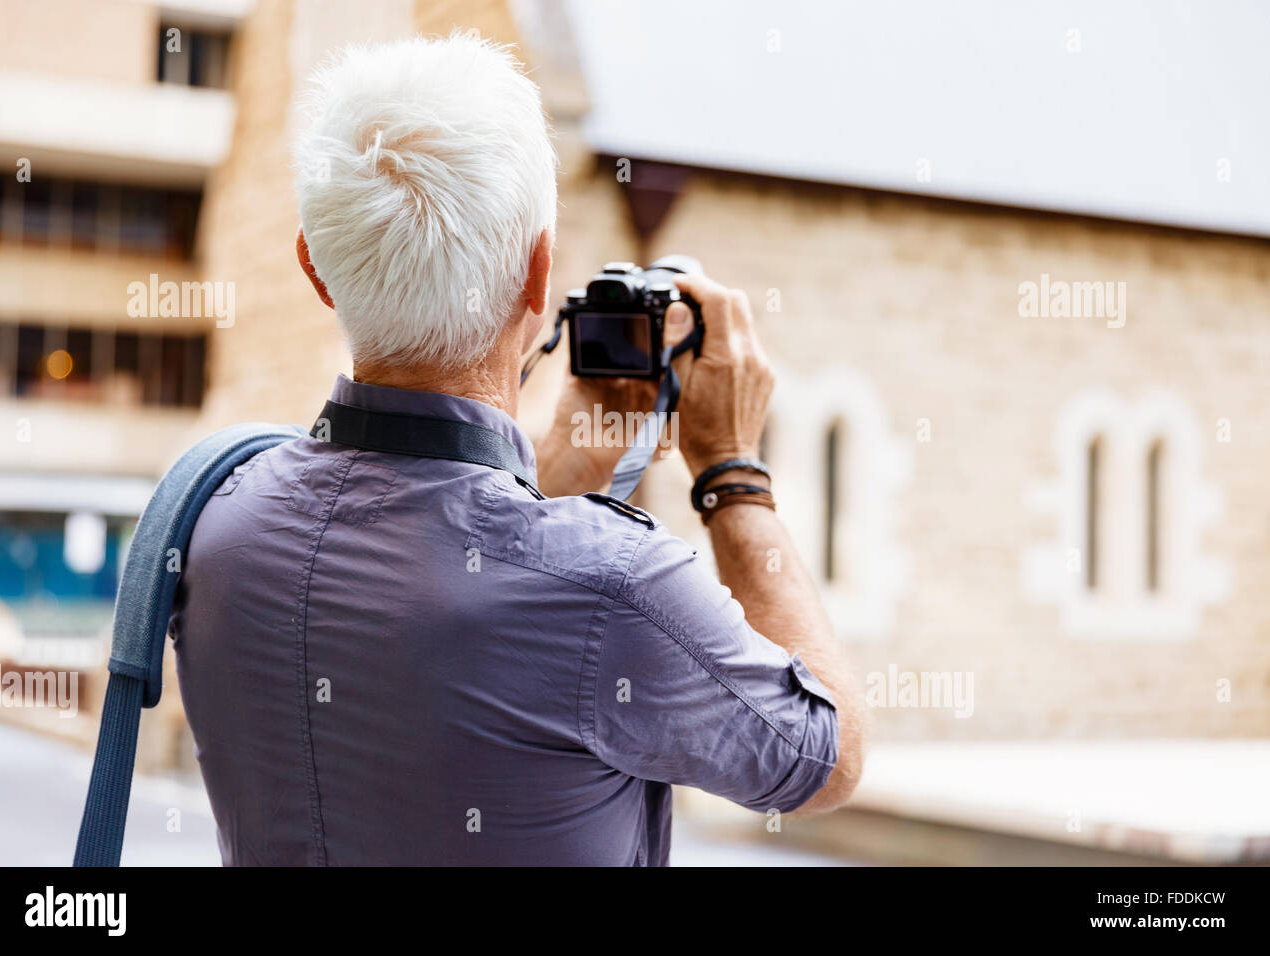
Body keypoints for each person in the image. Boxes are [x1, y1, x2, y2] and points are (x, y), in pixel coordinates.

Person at [171, 32, 863, 866]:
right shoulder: (617, 586)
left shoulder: (216, 520)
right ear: (539, 274)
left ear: (314, 269)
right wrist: (731, 471)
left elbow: (446, 569)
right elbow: (827, 755)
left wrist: (570, 458)